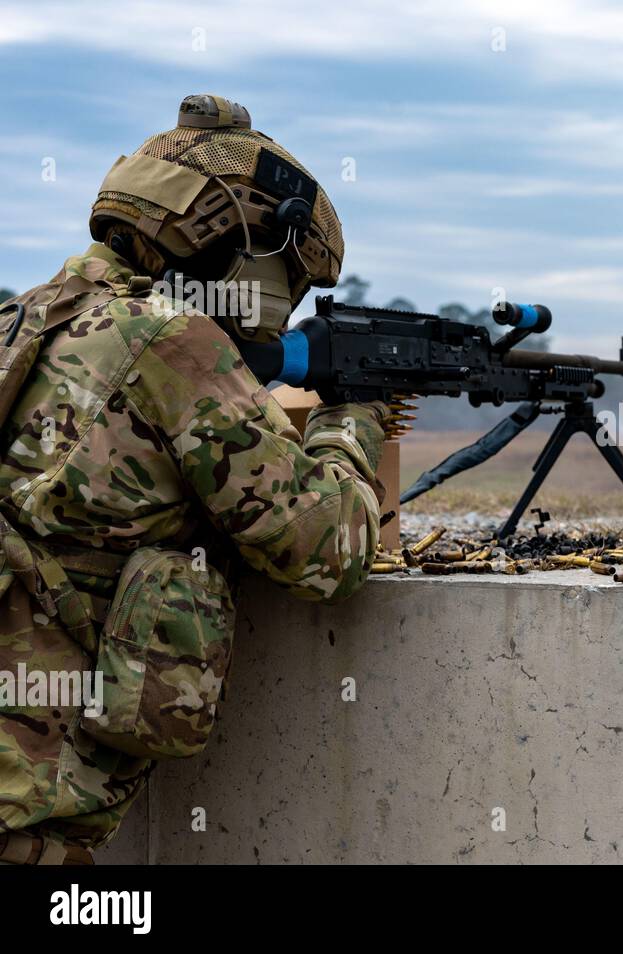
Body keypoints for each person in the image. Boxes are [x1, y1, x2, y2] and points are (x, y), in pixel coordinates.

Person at [0, 94, 389, 865]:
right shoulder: (170, 339)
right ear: (231, 243)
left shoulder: (26, 318)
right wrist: (352, 429)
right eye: (290, 274)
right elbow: (325, 552)